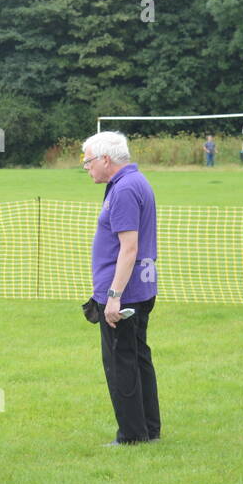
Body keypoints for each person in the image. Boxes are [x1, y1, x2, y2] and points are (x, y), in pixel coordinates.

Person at [82, 131, 160, 445]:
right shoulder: (134, 181)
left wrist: (113, 296)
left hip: (125, 293)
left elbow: (129, 248)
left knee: (121, 361)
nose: (86, 167)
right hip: (140, 288)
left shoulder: (125, 189)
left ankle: (132, 434)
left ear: (105, 159)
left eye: (88, 161)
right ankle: (149, 429)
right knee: (138, 357)